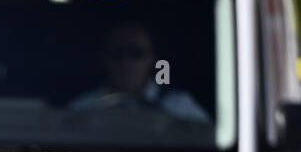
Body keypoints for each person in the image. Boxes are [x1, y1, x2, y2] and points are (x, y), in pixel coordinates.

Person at [69, 20, 210, 123]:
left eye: (136, 53)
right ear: (103, 58)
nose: (125, 61)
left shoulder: (180, 106)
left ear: (151, 59)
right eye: (117, 53)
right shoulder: (82, 108)